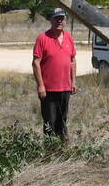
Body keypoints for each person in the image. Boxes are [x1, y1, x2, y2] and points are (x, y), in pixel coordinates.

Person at [32, 8, 76, 140]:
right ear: (50, 20)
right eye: (56, 18)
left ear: (66, 20)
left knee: (62, 121)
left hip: (65, 88)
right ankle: (50, 152)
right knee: (50, 123)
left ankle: (63, 149)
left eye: (62, 18)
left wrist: (73, 82)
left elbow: (72, 61)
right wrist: (40, 86)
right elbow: (35, 63)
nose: (59, 21)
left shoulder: (69, 37)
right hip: (48, 90)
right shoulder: (43, 38)